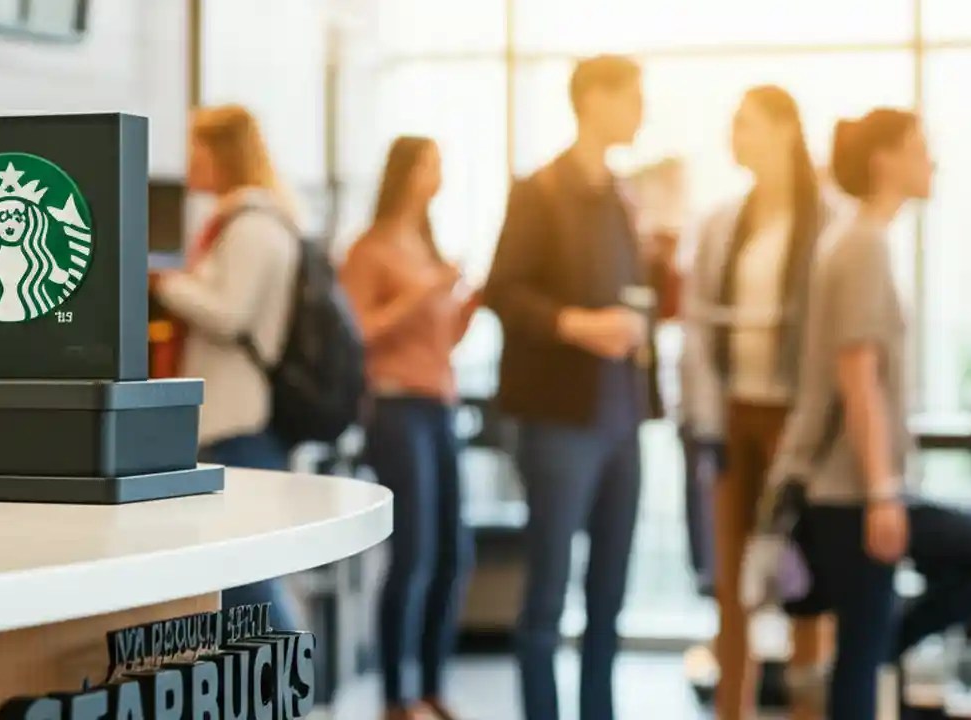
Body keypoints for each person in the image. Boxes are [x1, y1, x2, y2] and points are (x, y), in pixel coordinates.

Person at [770, 108, 971, 719]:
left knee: (862, 653)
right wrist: (883, 493)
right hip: (853, 491)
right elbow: (858, 377)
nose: (934, 162)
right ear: (884, 161)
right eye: (921, 149)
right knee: (861, 659)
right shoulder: (860, 243)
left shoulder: (855, 237)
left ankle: (888, 636)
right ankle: (888, 637)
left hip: (853, 488)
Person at [486, 55, 657, 720]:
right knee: (548, 598)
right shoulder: (540, 190)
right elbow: (502, 290)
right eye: (633, 97)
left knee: (610, 596)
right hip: (560, 419)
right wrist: (577, 323)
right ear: (595, 99)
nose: (643, 111)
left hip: (623, 418)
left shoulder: (622, 196)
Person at [681, 86, 834, 720]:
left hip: (801, 426)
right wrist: (706, 423)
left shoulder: (828, 221)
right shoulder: (723, 223)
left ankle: (808, 708)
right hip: (734, 418)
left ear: (784, 130)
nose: (734, 137)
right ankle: (730, 708)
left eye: (745, 125)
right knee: (732, 582)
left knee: (806, 583)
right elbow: (696, 327)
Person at [340, 136, 482, 720]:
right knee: (414, 552)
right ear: (407, 173)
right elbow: (356, 332)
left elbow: (443, 339)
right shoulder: (370, 250)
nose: (441, 175)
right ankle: (396, 698)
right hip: (395, 410)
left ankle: (431, 687)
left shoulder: (428, 247)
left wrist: (467, 301)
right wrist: (420, 294)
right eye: (433, 165)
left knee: (454, 551)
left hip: (440, 405)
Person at [154, 104, 300, 629]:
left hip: (239, 423)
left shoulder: (253, 227)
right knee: (243, 579)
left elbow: (230, 312)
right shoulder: (237, 222)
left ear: (223, 154)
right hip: (230, 421)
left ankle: (293, 692)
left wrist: (167, 284)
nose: (188, 159)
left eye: (197, 148)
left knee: (247, 581)